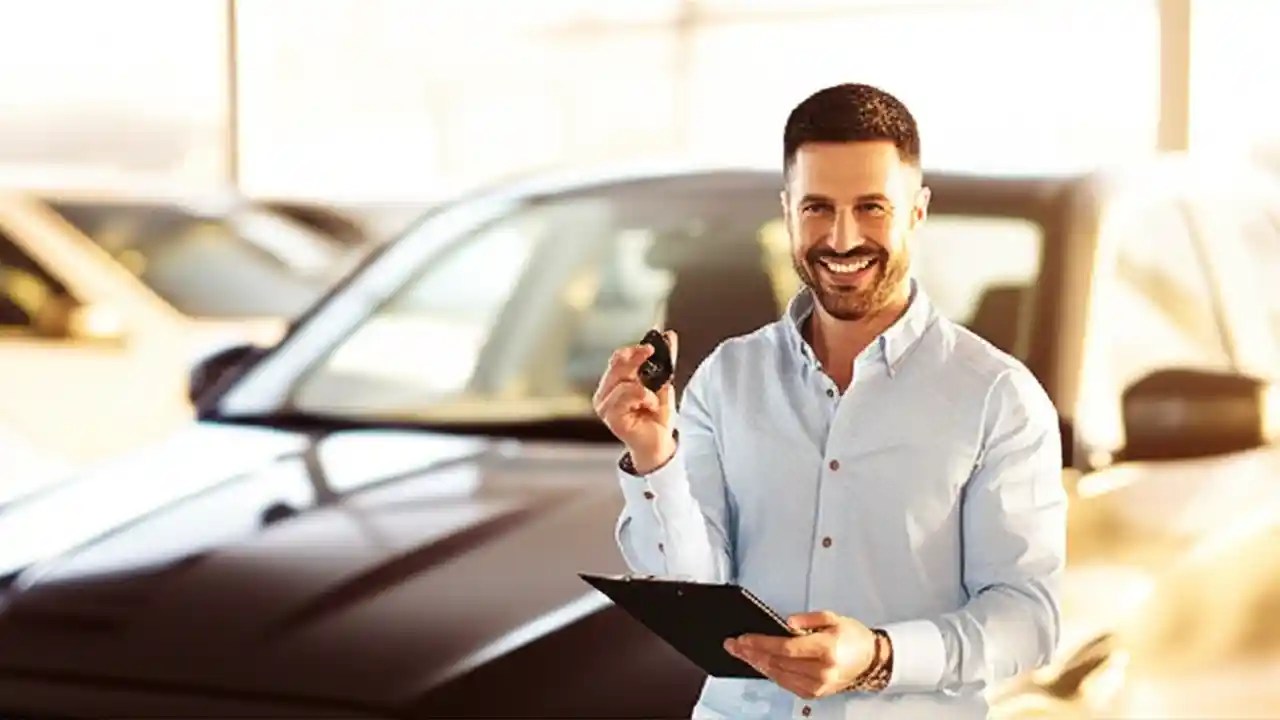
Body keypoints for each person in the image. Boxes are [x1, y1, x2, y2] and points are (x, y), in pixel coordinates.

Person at [593, 82, 1067, 719]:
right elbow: (692, 588)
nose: (843, 239)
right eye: (818, 208)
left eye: (872, 208)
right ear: (788, 210)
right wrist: (655, 458)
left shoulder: (997, 397)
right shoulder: (727, 378)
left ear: (917, 211)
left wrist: (880, 656)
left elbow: (1027, 617)